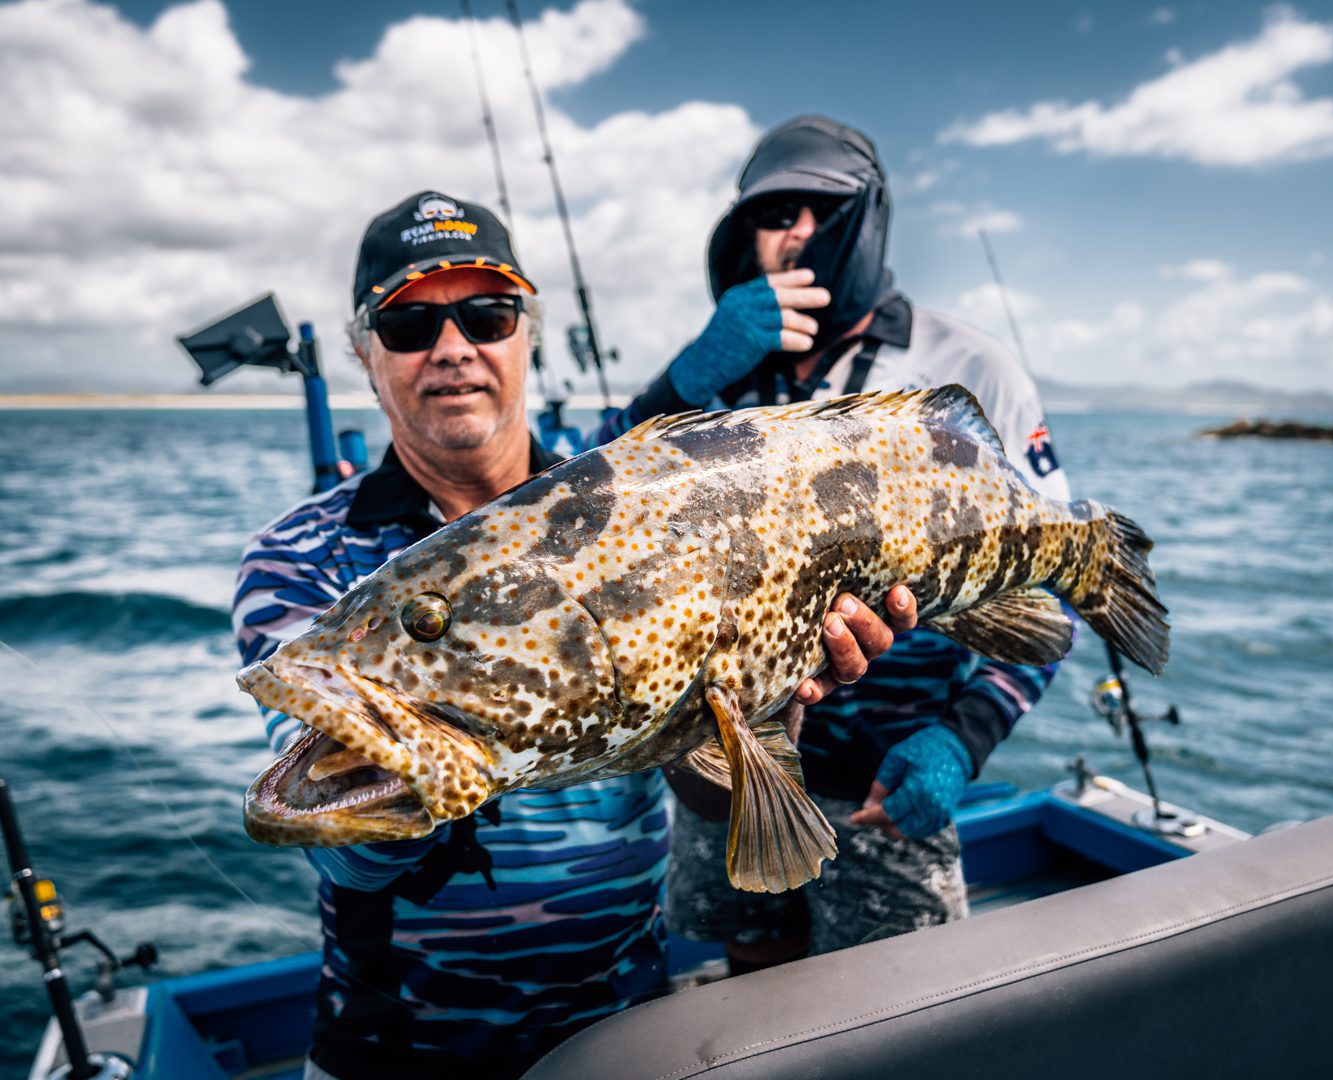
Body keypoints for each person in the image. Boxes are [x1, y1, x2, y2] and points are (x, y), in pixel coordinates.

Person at [232, 190, 915, 1080]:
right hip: (395, 1048)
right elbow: (346, 846)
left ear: (528, 333)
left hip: (627, 1034)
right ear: (366, 353)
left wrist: (769, 709)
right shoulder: (297, 557)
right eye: (408, 325)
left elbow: (710, 793)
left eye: (487, 313)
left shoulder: (649, 507)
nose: (452, 349)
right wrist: (405, 774)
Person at [587, 116, 1072, 971]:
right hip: (721, 772)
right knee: (750, 997)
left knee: (904, 1023)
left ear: (871, 220)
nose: (798, 231)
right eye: (774, 214)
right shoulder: (714, 366)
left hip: (884, 782)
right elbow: (587, 521)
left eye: (824, 208)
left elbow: (1055, 570)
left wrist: (965, 736)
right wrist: (679, 382)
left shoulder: (968, 364)